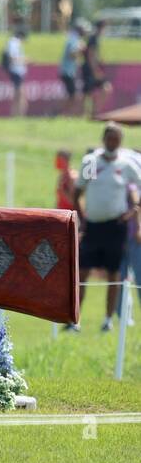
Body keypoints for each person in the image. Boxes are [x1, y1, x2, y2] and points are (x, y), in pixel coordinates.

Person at [72, 123, 141, 333]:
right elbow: (79, 191)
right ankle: (76, 320)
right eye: (110, 138)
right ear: (104, 139)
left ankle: (107, 320)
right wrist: (82, 217)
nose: (113, 142)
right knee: (82, 273)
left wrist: (135, 210)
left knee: (114, 274)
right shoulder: (92, 162)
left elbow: (138, 185)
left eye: (117, 139)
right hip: (93, 227)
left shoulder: (125, 164)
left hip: (115, 227)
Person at [81, 18, 109, 119]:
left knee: (103, 89)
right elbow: (90, 55)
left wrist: (100, 60)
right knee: (88, 92)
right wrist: (95, 70)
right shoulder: (93, 38)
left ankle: (93, 112)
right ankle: (88, 113)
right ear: (101, 28)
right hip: (90, 69)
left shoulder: (95, 38)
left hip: (92, 68)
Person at [60, 21, 84, 116]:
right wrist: (81, 50)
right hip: (67, 71)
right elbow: (71, 54)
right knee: (72, 95)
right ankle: (63, 114)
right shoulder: (74, 39)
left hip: (68, 71)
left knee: (71, 94)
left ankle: (65, 113)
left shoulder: (73, 38)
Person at [4, 25, 28, 117]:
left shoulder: (14, 42)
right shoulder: (14, 42)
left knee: (18, 94)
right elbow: (12, 58)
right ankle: (20, 114)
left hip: (17, 71)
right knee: (20, 93)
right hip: (16, 70)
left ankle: (15, 114)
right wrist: (25, 60)